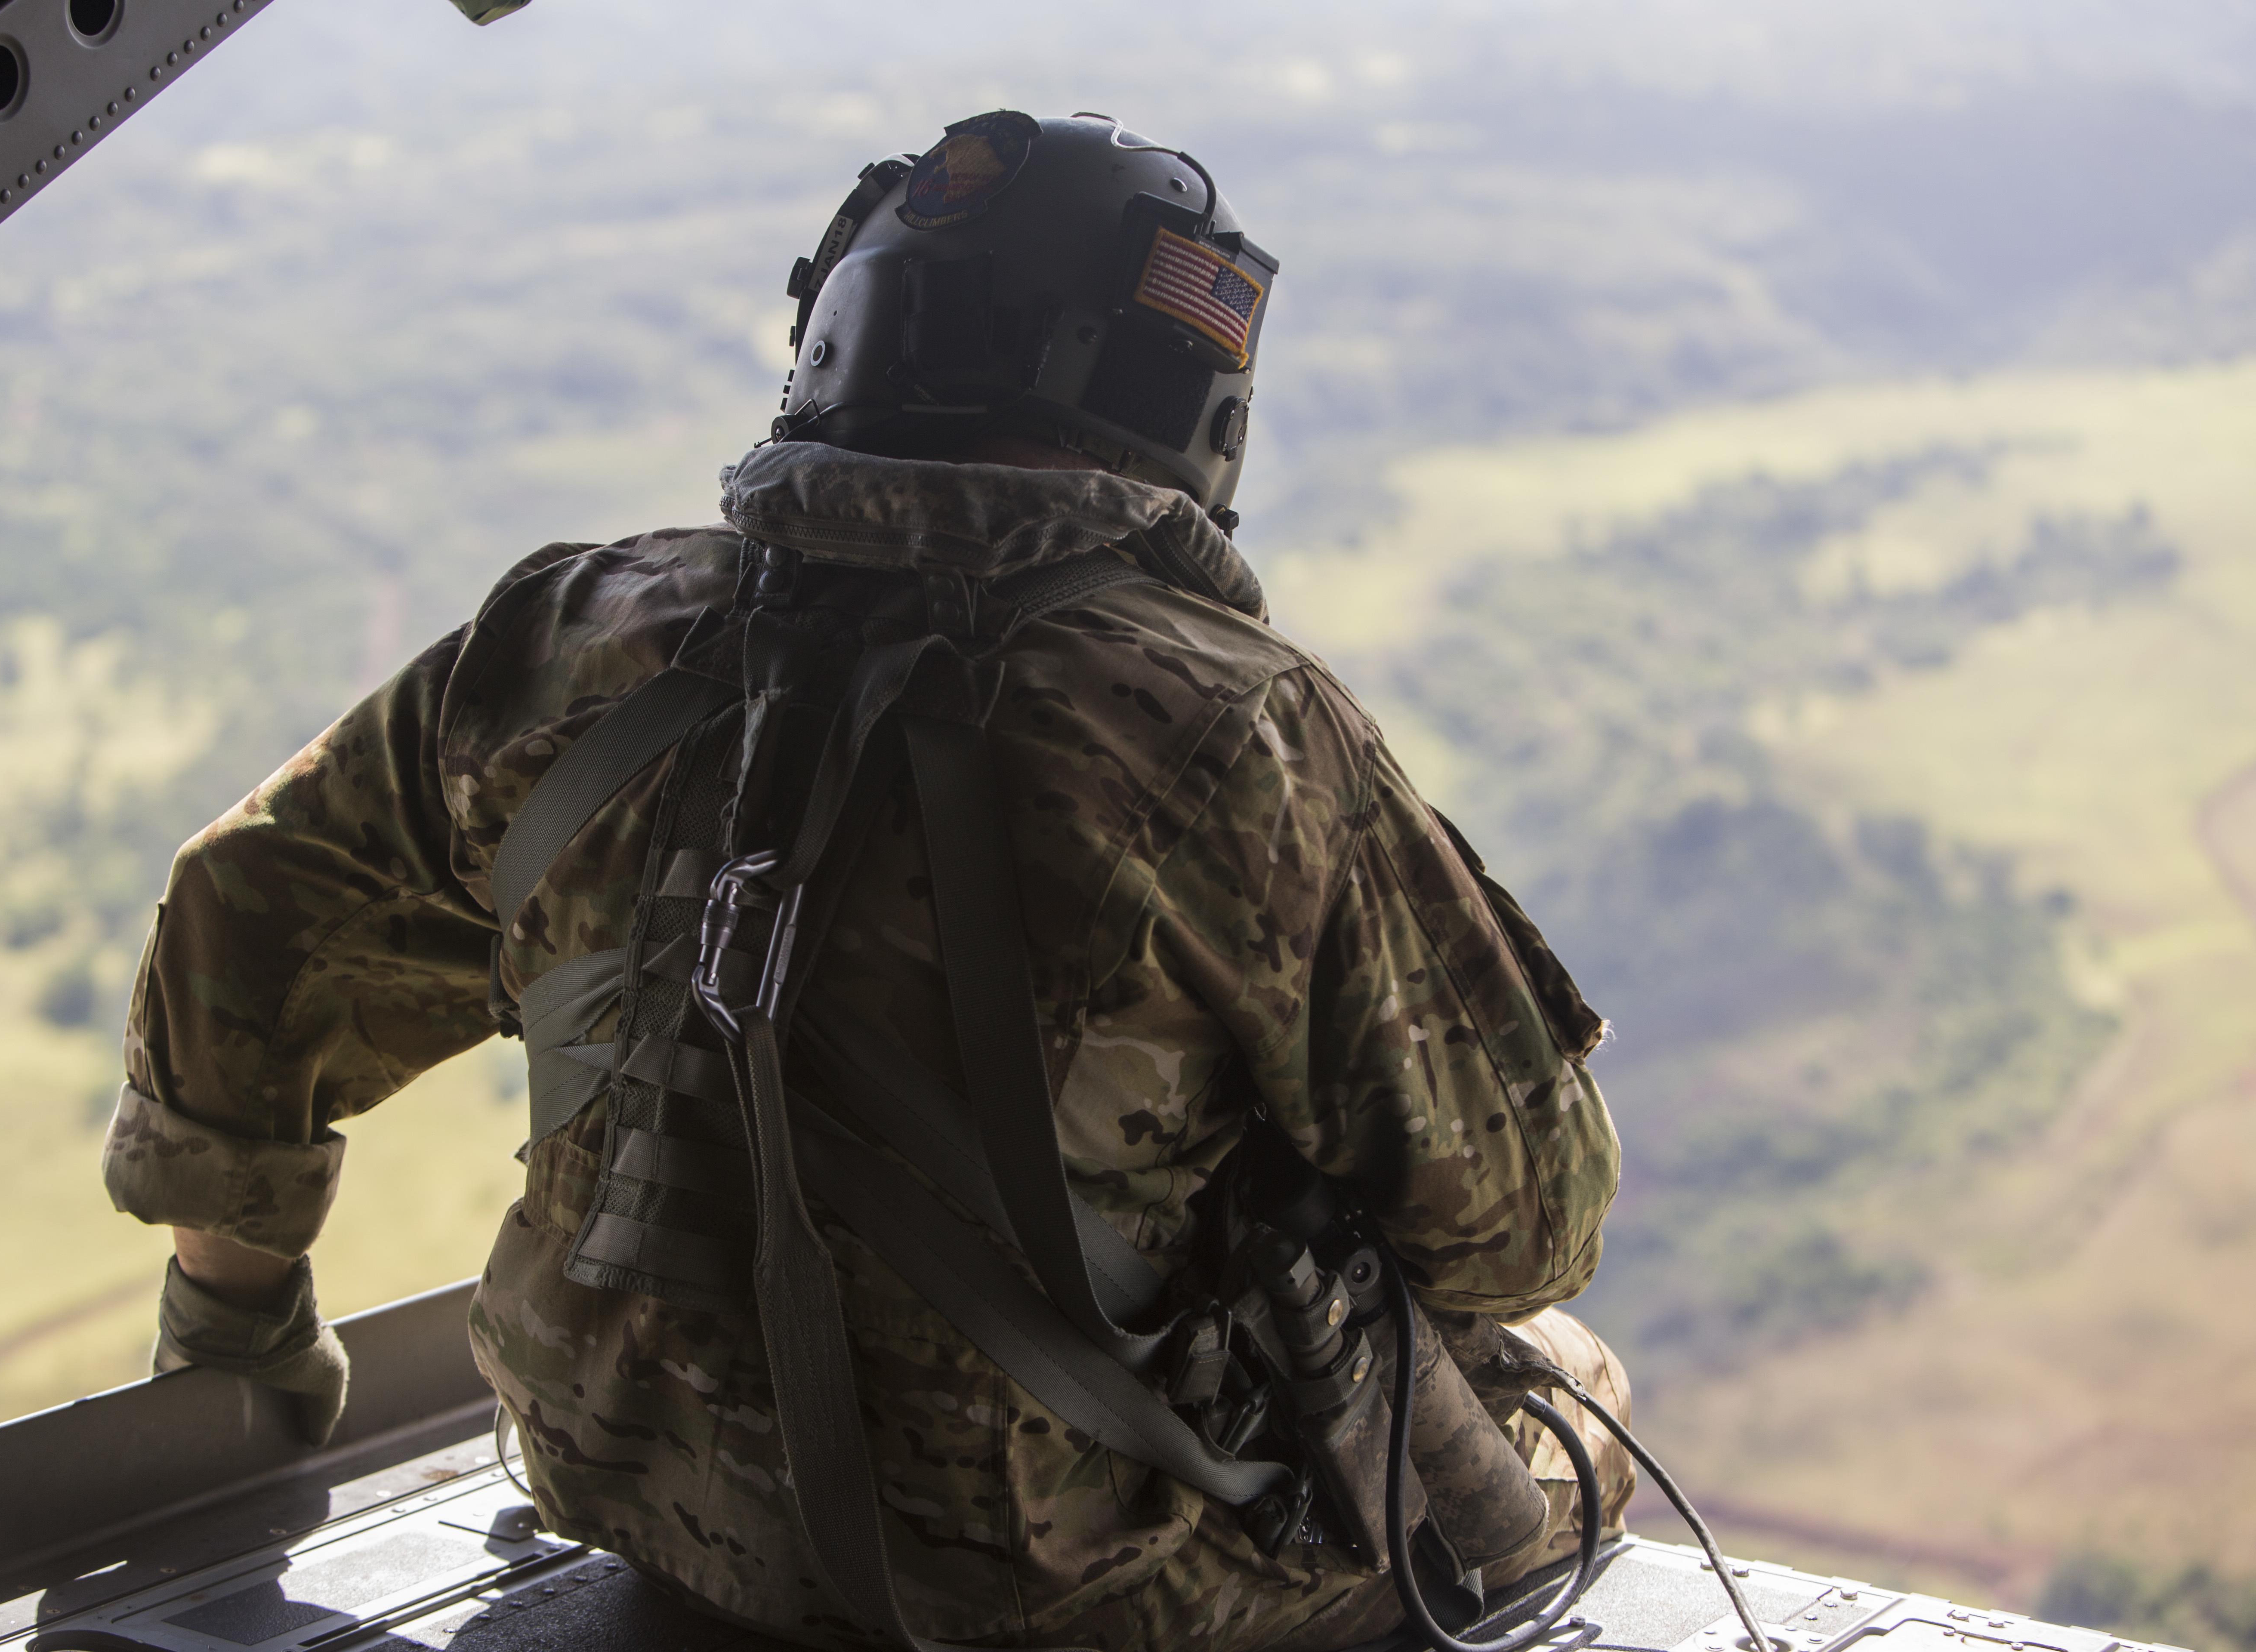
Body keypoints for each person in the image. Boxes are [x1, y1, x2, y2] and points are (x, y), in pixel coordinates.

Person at [105, 111, 1634, 1652]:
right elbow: (1518, 1230)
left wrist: (239, 1339)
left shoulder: (578, 633)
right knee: (1573, 1386)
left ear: (845, 334)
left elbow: (247, 916)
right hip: (1063, 1594)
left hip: (624, 1493)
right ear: (1187, 402)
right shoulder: (1240, 730)